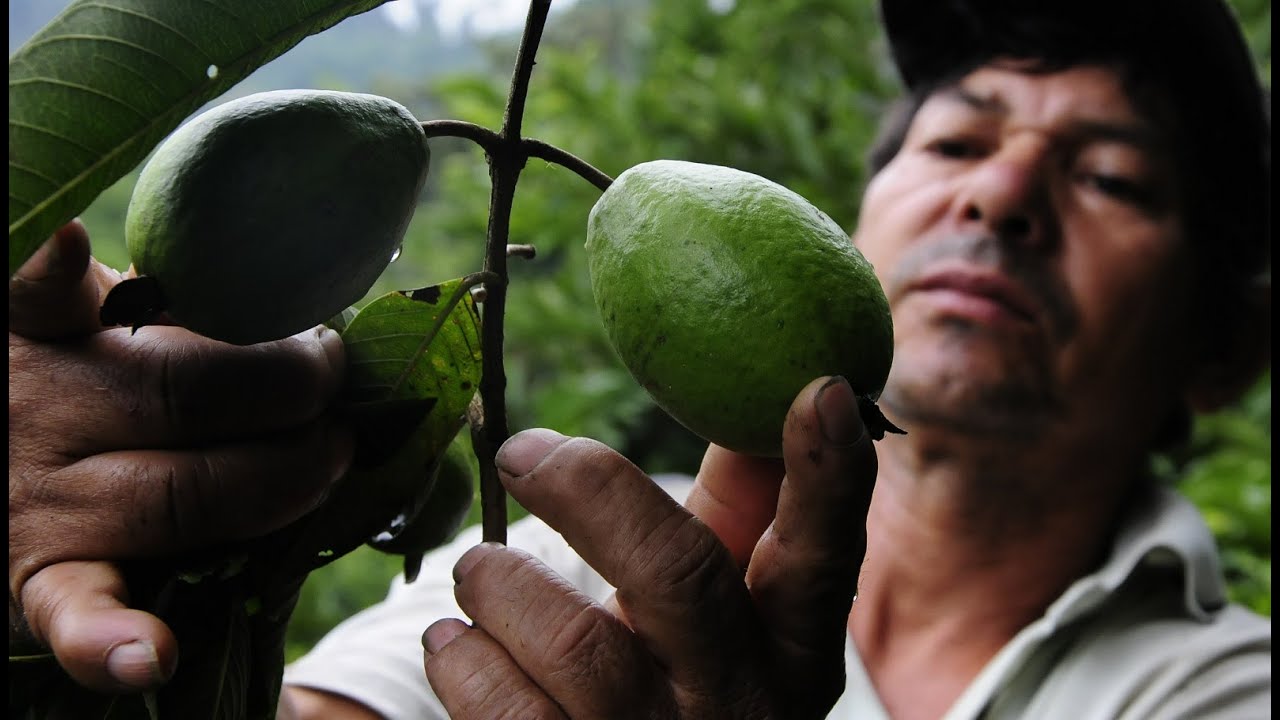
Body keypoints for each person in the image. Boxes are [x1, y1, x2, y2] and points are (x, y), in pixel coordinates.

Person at [8, 0, 1270, 717]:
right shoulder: (556, 563)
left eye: (1108, 175)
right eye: (952, 146)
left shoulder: (1222, 692)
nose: (999, 198)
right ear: (847, 219)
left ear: (1220, 350)